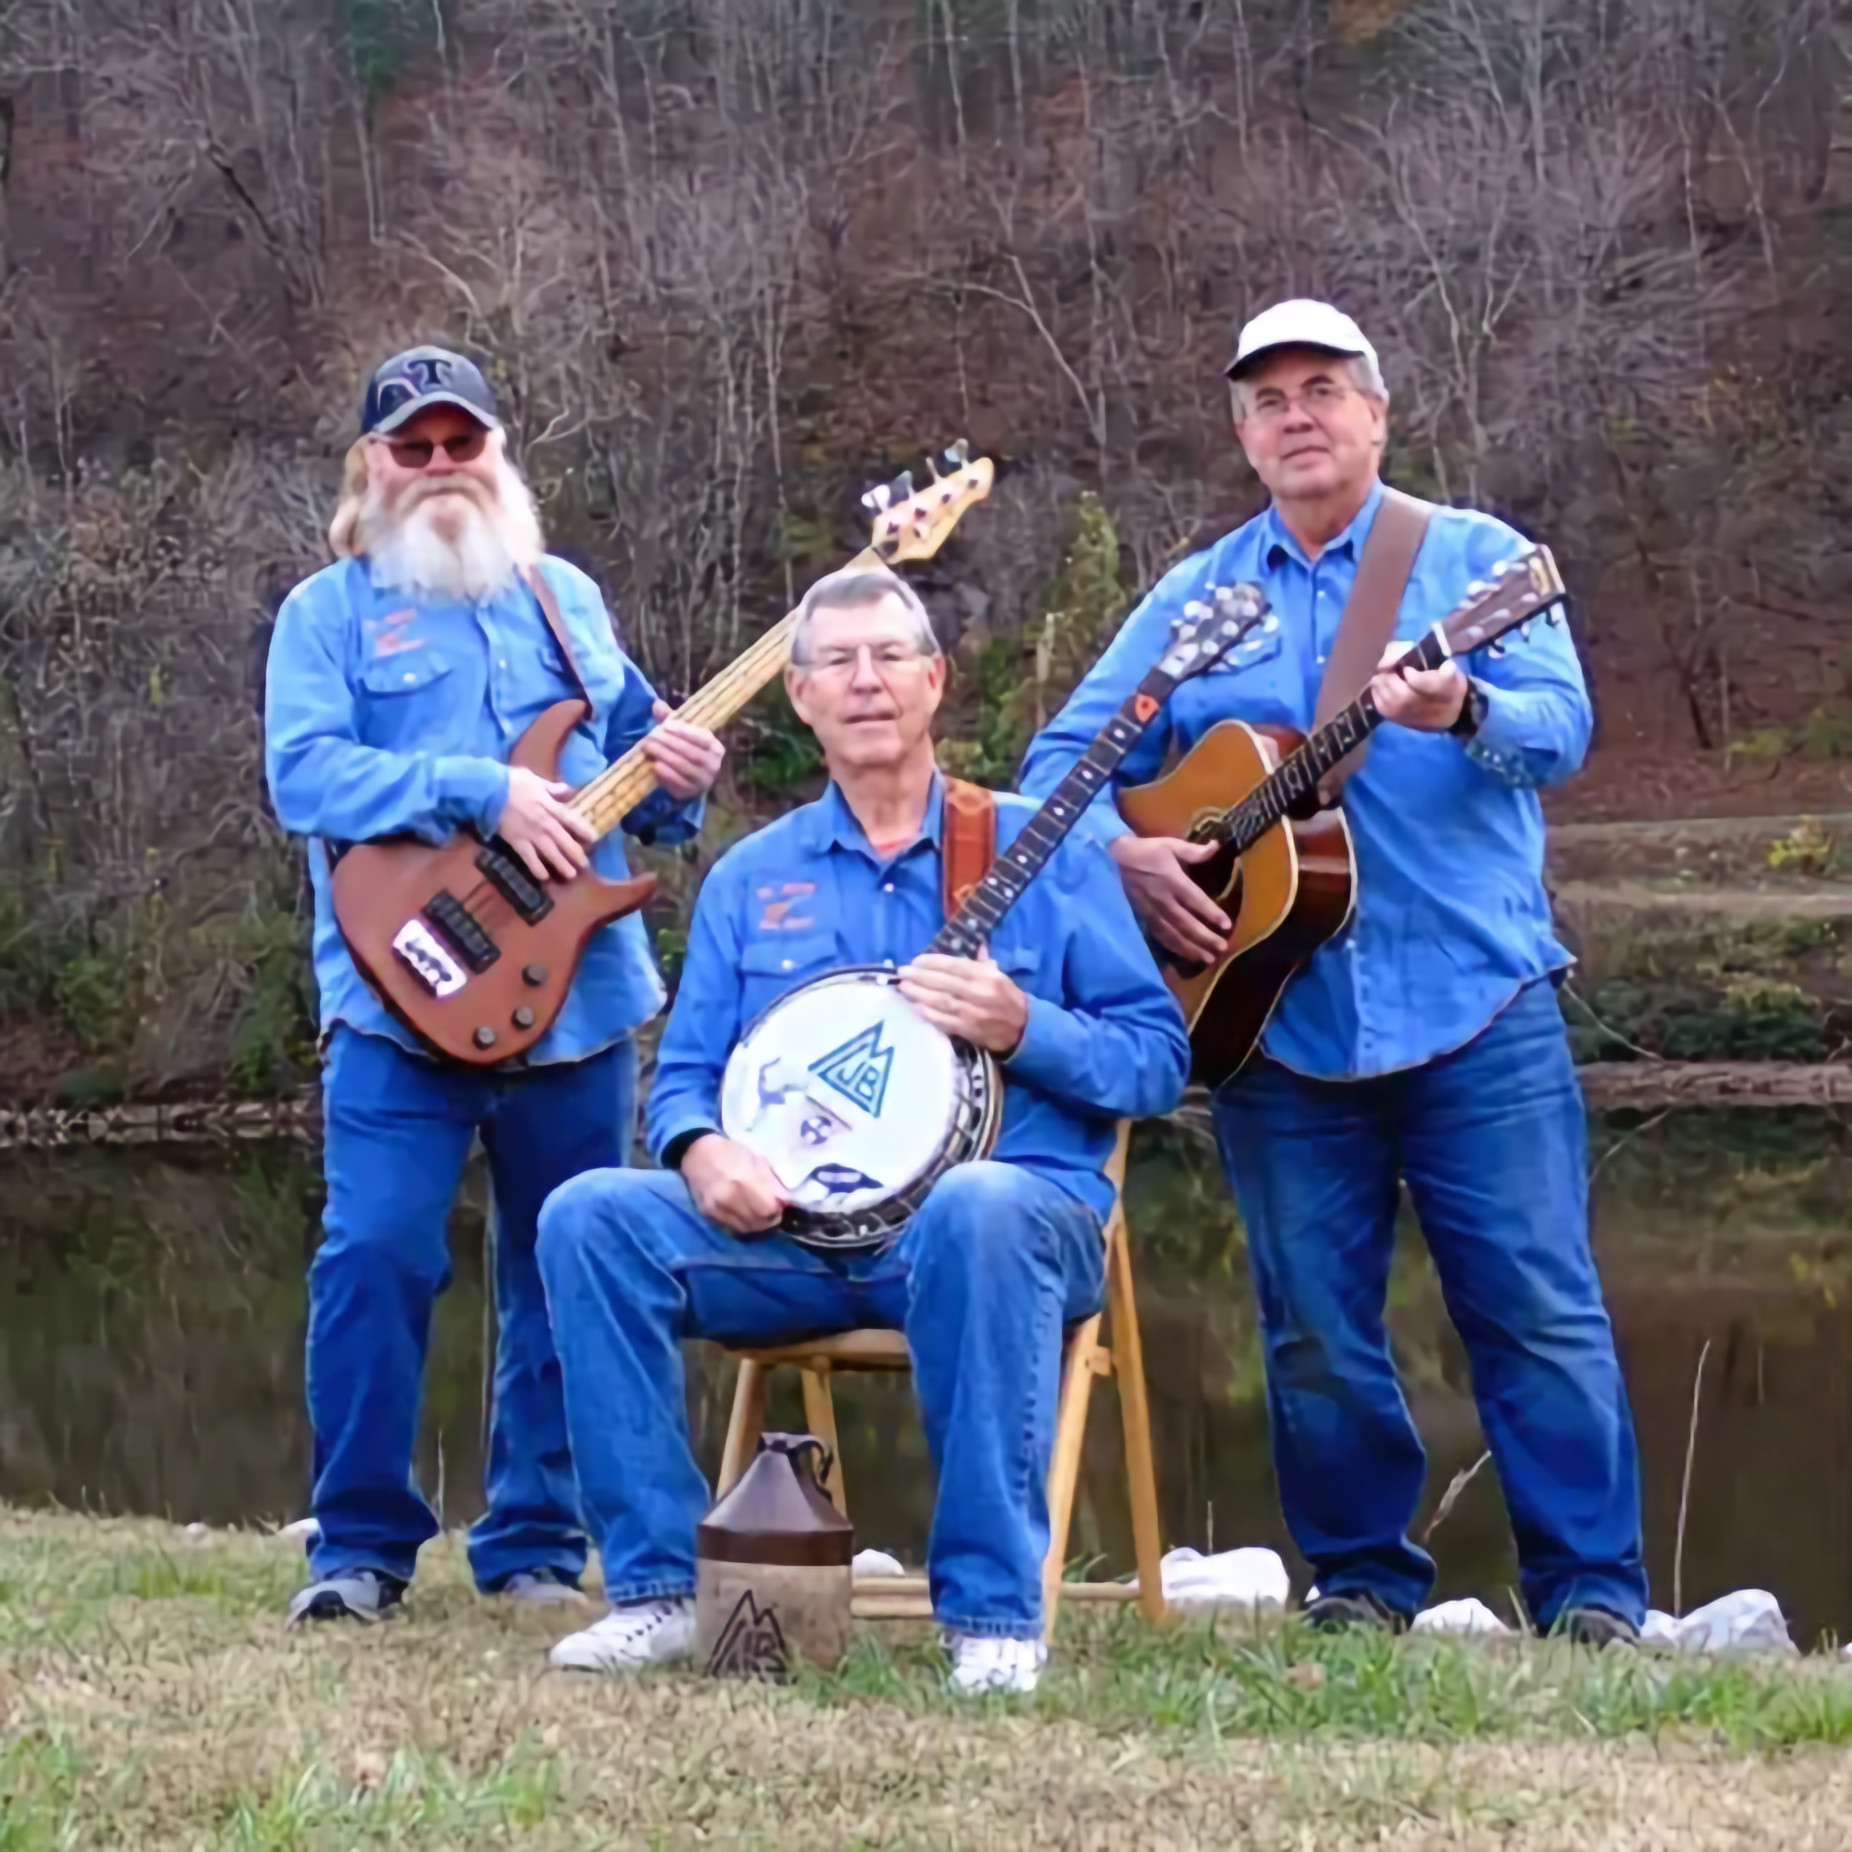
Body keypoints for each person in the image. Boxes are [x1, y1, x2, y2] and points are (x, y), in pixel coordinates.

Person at [1020, 300, 1648, 1643]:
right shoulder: (1197, 597)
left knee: (1536, 1309)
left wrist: (1461, 706)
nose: (1296, 416)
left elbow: (1563, 729)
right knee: (1310, 1326)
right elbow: (1055, 774)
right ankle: (1360, 1583)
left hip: (1477, 1004)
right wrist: (1127, 862)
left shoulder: (1480, 562)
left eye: (1322, 390)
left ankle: (1591, 1599)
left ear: (1376, 412)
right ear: (1244, 436)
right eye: (1268, 400)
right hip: (1274, 1024)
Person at [534, 565, 1190, 1693]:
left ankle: (989, 1618)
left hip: (1001, 1232)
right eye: (836, 661)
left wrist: (1022, 1022)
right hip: (795, 1239)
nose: (866, 681)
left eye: (890, 656)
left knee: (975, 1208)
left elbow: (1155, 1060)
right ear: (799, 697)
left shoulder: (1043, 847)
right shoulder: (754, 878)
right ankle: (660, 1593)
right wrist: (702, 1151)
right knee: (587, 1214)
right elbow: (684, 1079)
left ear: (934, 681)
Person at [264, 346, 726, 1623]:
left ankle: (533, 1541)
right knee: (373, 1255)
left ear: (496, 453)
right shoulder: (328, 614)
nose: (438, 466)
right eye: (410, 447)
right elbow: (305, 778)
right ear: (372, 466)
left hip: (575, 997)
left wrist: (678, 771)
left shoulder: (567, 598)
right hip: (391, 1004)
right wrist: (479, 788)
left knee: (563, 1265)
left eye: (459, 441)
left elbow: (642, 773)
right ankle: (356, 1545)